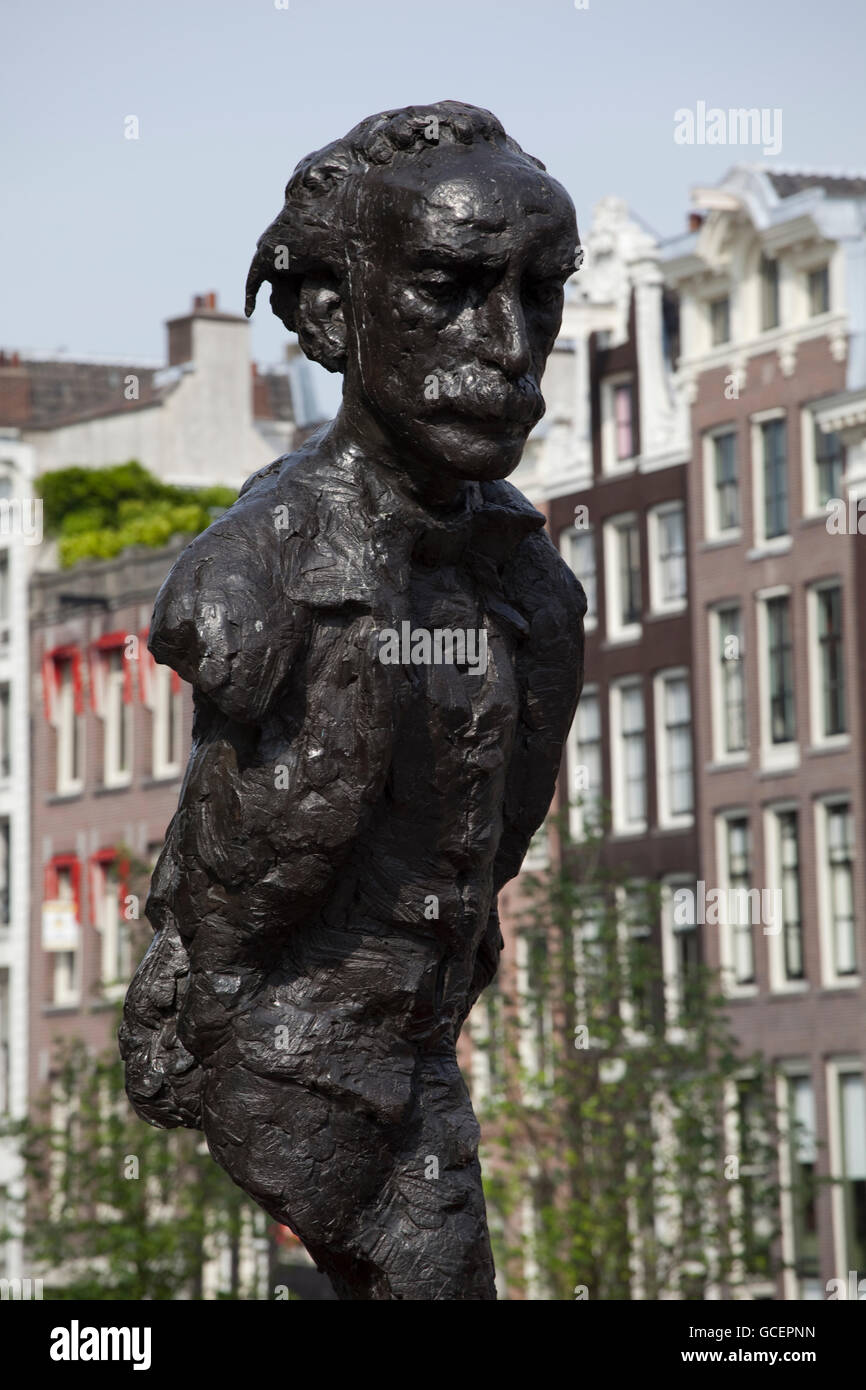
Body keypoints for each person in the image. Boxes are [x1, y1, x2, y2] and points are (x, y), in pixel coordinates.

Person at [121, 100, 586, 1300]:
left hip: (420, 1058)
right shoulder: (251, 582)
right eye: (447, 287)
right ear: (330, 313)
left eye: (540, 293)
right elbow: (239, 890)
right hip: (287, 1060)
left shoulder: (533, 584)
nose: (507, 342)